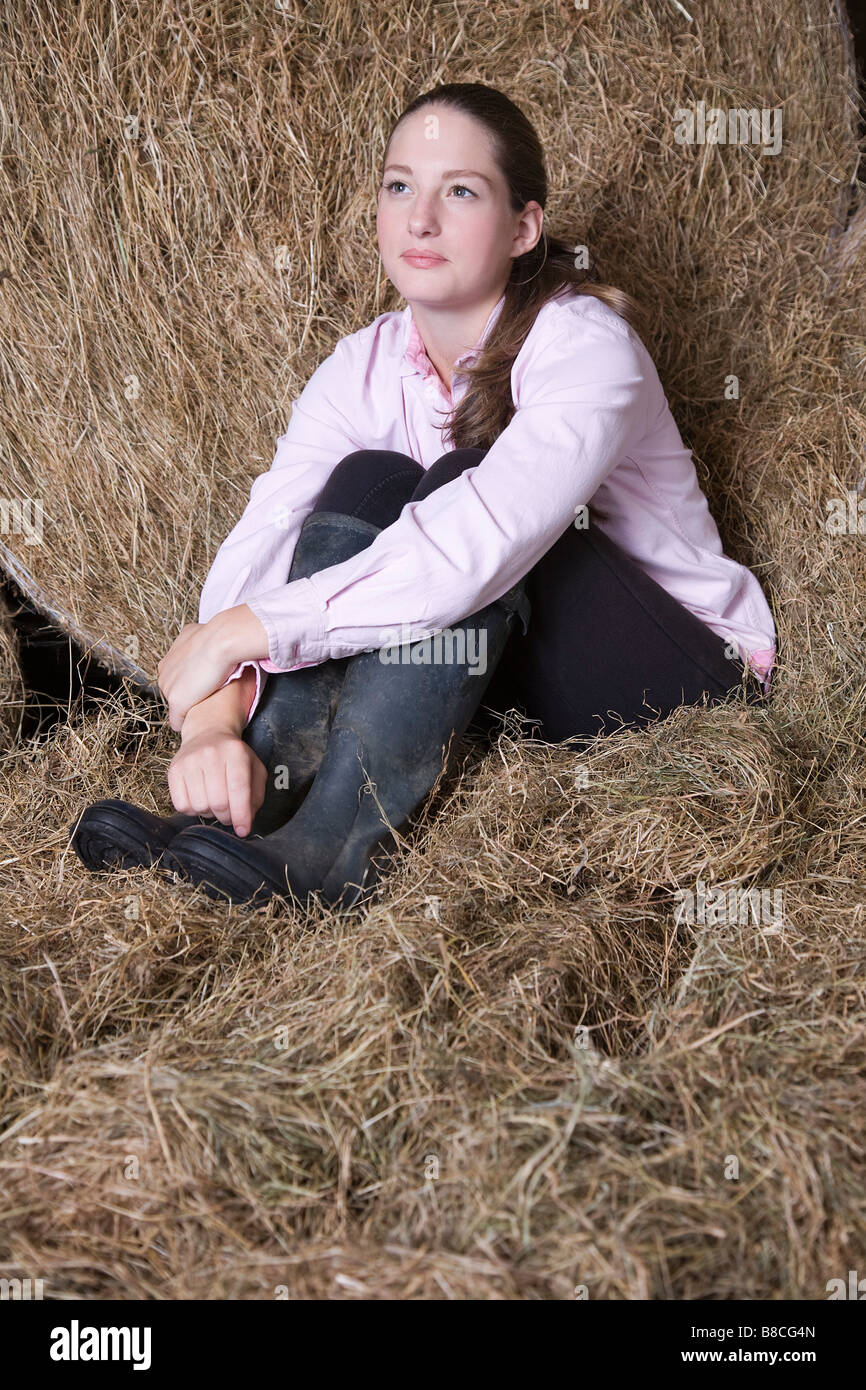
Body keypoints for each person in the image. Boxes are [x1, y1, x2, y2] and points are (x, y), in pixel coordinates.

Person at [71, 82, 776, 910]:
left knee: (453, 487)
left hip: (678, 672)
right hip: (505, 667)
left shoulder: (586, 344)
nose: (421, 219)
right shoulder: (359, 367)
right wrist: (215, 724)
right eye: (400, 185)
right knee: (371, 480)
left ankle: (333, 854)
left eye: (461, 192)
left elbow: (475, 541)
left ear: (524, 229)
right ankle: (255, 810)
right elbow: (267, 535)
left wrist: (238, 634)